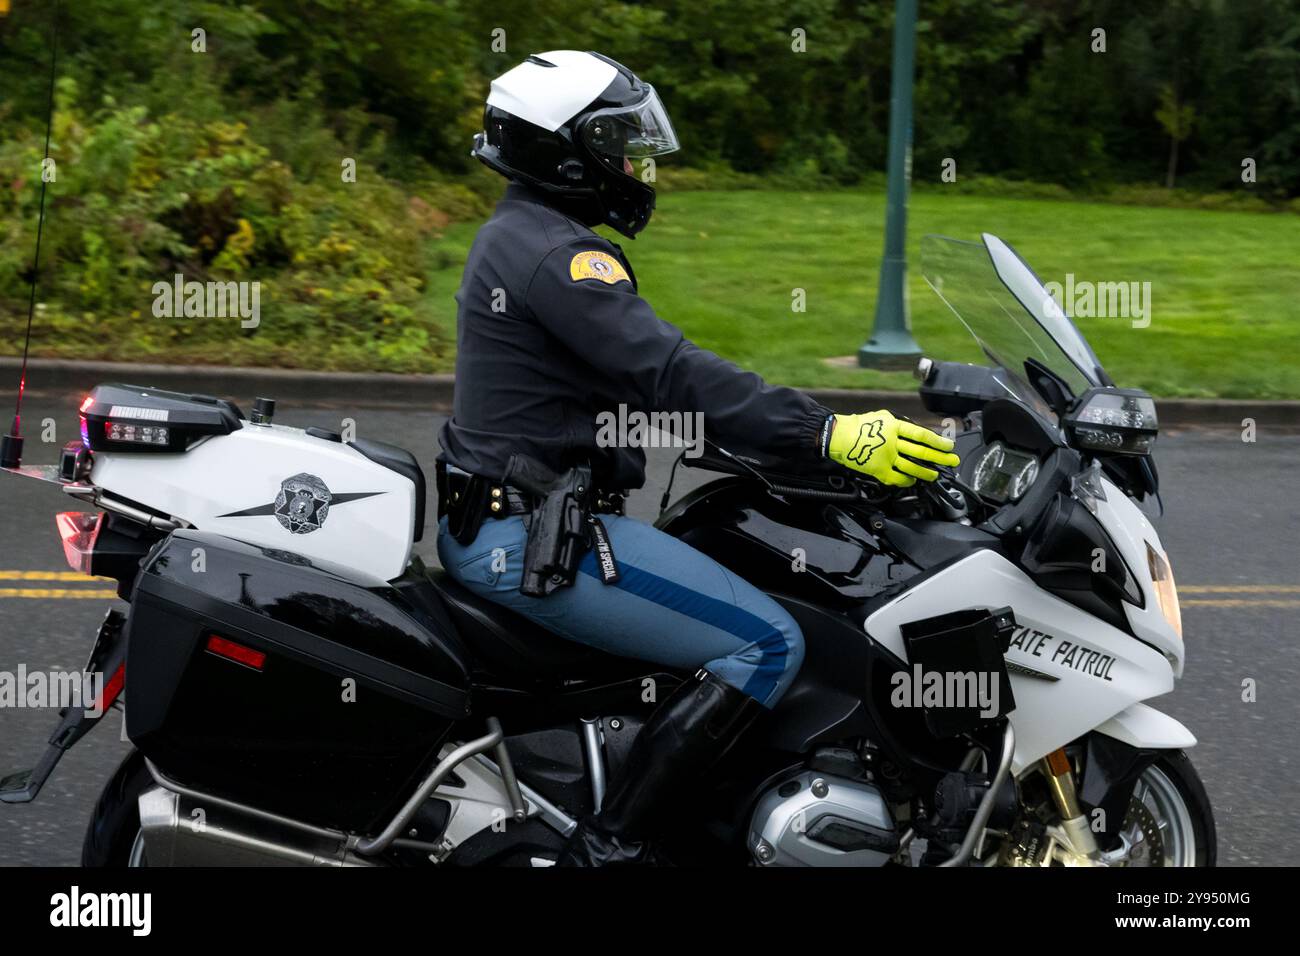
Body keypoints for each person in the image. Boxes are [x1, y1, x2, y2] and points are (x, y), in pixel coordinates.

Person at [436, 50, 959, 865]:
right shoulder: (562, 258)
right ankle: (613, 848)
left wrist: (805, 453)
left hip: (521, 522)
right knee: (769, 644)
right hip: (530, 543)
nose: (637, 166)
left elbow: (657, 396)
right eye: (617, 144)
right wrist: (830, 433)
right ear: (563, 151)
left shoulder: (523, 237)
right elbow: (671, 372)